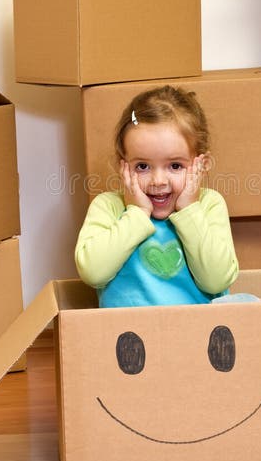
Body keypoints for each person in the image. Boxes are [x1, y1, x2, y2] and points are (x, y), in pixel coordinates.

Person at [75, 84, 239, 308]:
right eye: (142, 166)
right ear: (121, 165)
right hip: (129, 334)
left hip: (196, 332)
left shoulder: (208, 204)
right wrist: (137, 213)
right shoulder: (109, 206)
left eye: (175, 166)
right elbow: (93, 273)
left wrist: (189, 210)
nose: (158, 181)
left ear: (202, 165)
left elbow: (216, 280)